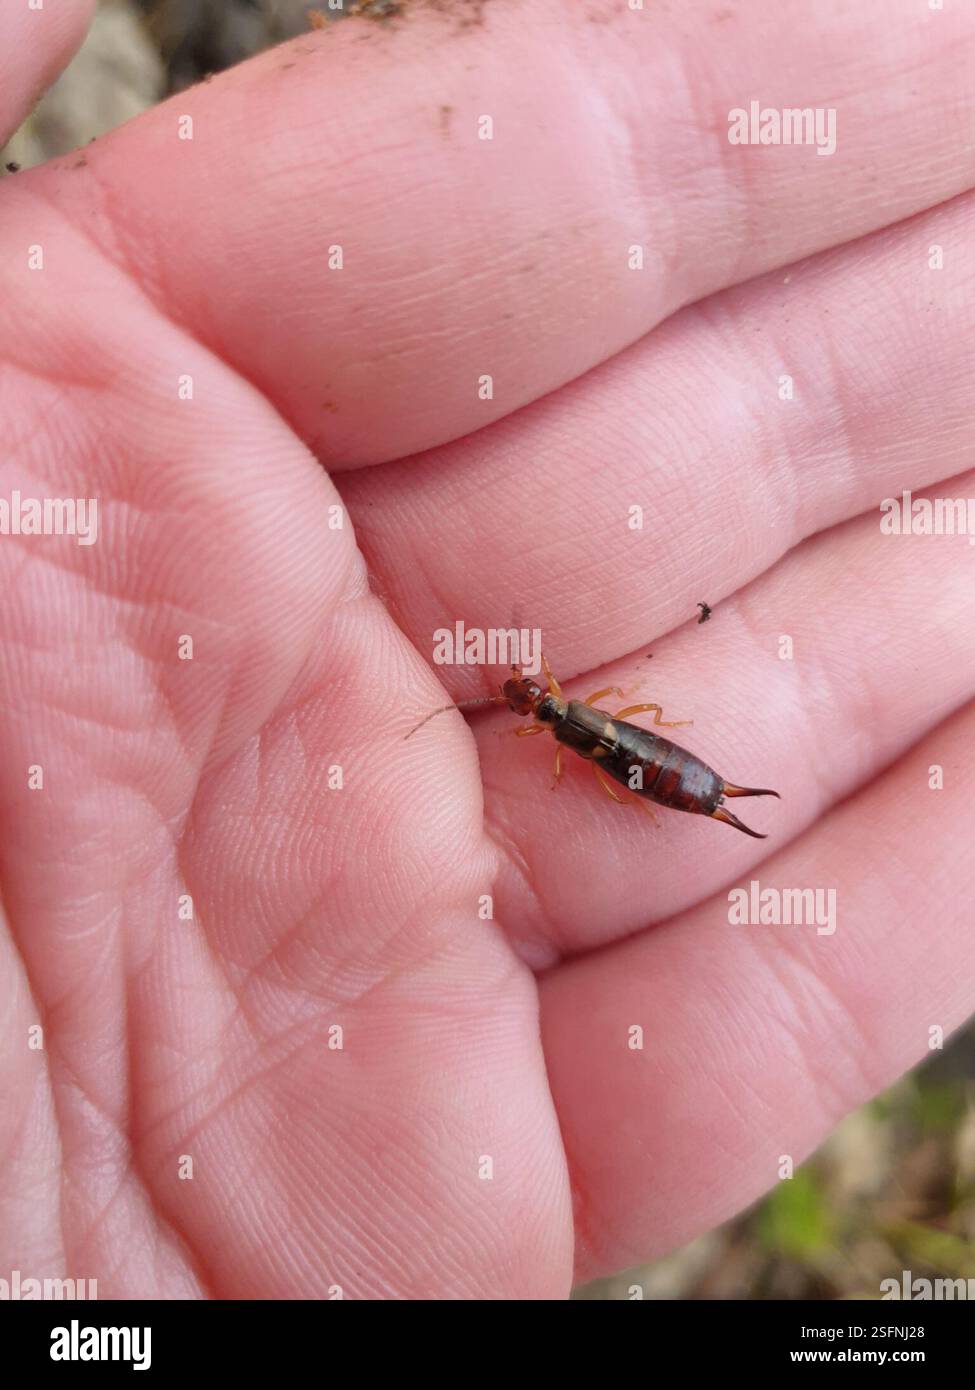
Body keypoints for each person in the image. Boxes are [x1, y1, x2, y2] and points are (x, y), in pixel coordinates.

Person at [0, 0, 972, 1298]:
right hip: (655, 766)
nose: (545, 709)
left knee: (678, 781)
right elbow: (608, 731)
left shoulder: (573, 729)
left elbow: (603, 734)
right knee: (684, 785)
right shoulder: (582, 723)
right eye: (542, 706)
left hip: (652, 766)